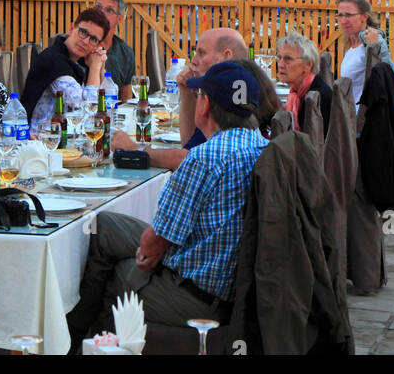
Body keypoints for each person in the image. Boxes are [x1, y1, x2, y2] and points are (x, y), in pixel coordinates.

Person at [67, 62, 268, 347]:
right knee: (104, 225)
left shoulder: (204, 158)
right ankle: (76, 342)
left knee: (114, 276)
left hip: (197, 295)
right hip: (235, 280)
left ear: (205, 104)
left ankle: (80, 343)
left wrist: (150, 254)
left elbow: (152, 244)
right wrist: (152, 250)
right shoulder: (263, 145)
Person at [112, 26, 249, 170]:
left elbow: (190, 160)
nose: (194, 61)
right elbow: (191, 144)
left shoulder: (233, 94)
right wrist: (187, 92)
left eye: (201, 53)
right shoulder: (236, 85)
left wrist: (134, 149)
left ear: (226, 56)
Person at [22, 8, 109, 123]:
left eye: (93, 39)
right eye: (83, 32)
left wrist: (100, 67)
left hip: (66, 135)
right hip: (42, 137)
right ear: (71, 29)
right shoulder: (53, 61)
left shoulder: (79, 62)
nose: (85, 41)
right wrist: (95, 68)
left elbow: (105, 99)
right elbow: (88, 108)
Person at [50, 0, 134, 101]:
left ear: (119, 19)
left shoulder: (125, 52)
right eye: (98, 7)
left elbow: (126, 98)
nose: (101, 13)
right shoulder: (79, 49)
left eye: (109, 10)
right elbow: (87, 104)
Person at [337, 0, 394, 109]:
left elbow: (385, 79)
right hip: (352, 119)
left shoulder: (371, 42)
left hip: (365, 119)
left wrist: (375, 45)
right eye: (340, 15)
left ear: (364, 17)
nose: (343, 21)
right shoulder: (351, 45)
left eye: (349, 15)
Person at [277, 31, 332, 135]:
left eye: (288, 59)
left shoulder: (315, 99)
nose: (280, 64)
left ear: (308, 65)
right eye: (279, 58)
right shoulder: (297, 94)